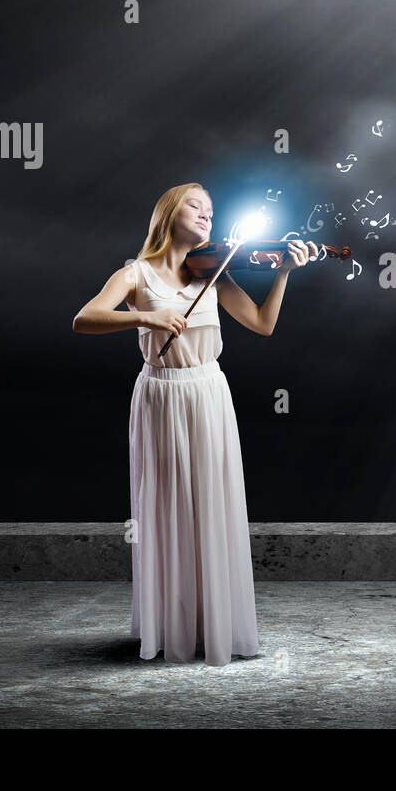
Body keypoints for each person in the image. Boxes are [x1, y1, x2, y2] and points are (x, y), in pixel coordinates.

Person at [72, 182, 318, 665]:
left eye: (211, 210)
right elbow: (85, 318)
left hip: (208, 393)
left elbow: (263, 324)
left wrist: (284, 272)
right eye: (195, 205)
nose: (207, 214)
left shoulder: (217, 272)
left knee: (212, 501)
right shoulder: (136, 273)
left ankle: (214, 625)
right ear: (168, 212)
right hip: (160, 393)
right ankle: (173, 627)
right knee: (167, 504)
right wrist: (148, 316)